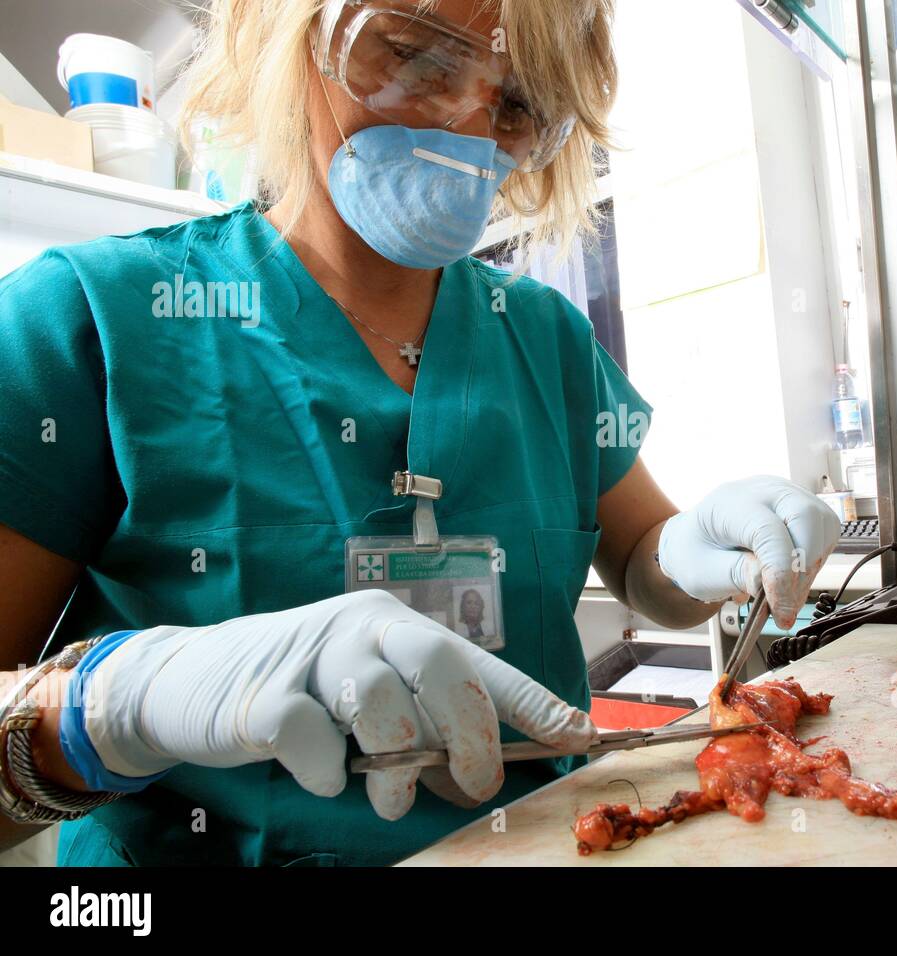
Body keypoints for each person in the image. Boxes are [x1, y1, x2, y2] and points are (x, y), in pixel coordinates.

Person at [0, 0, 839, 866]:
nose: (465, 130)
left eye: (516, 108)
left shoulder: (540, 331)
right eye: (414, 60)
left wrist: (700, 546)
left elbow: (643, 564)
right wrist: (115, 713)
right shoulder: (84, 324)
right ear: (290, 42)